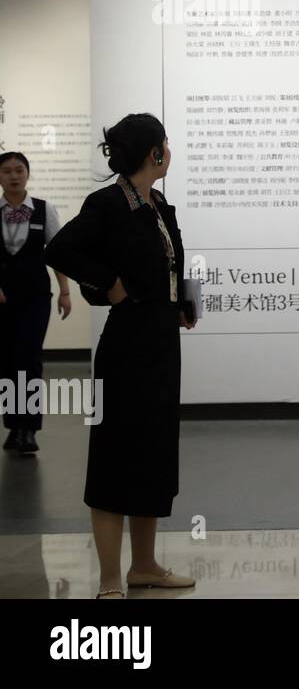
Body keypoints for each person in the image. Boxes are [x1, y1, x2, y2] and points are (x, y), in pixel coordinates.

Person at [42, 114, 198, 598]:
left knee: (153, 454)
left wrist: (182, 304)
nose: (169, 152)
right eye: (165, 145)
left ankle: (145, 566)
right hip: (127, 347)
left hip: (160, 344)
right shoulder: (108, 203)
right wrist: (108, 285)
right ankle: (111, 579)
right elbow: (61, 249)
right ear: (153, 152)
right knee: (115, 457)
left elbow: (169, 265)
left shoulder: (159, 206)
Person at [1, 152, 72, 455]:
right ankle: (13, 426)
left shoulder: (44, 210)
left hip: (35, 298)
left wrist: (65, 291)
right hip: (2, 299)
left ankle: (29, 429)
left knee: (28, 360)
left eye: (19, 170)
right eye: (6, 171)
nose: (14, 176)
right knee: (6, 361)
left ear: (28, 174)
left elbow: (57, 253)